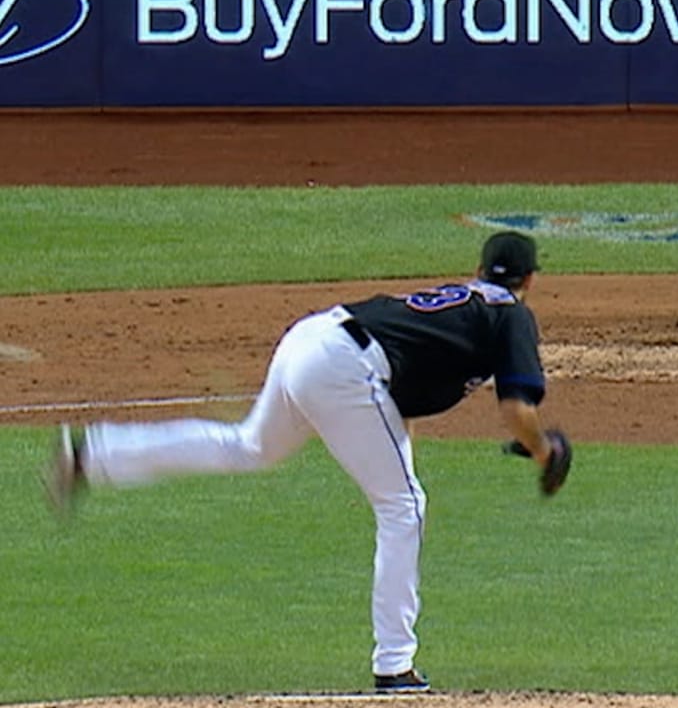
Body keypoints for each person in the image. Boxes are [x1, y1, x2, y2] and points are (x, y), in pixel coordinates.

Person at [45, 230, 570, 694]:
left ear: (480, 271)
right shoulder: (511, 314)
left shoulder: (458, 307)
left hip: (311, 339)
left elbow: (403, 398)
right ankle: (395, 667)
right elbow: (517, 409)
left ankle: (93, 456)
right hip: (346, 367)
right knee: (403, 507)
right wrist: (545, 451)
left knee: (250, 448)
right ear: (531, 278)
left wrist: (390, 459)